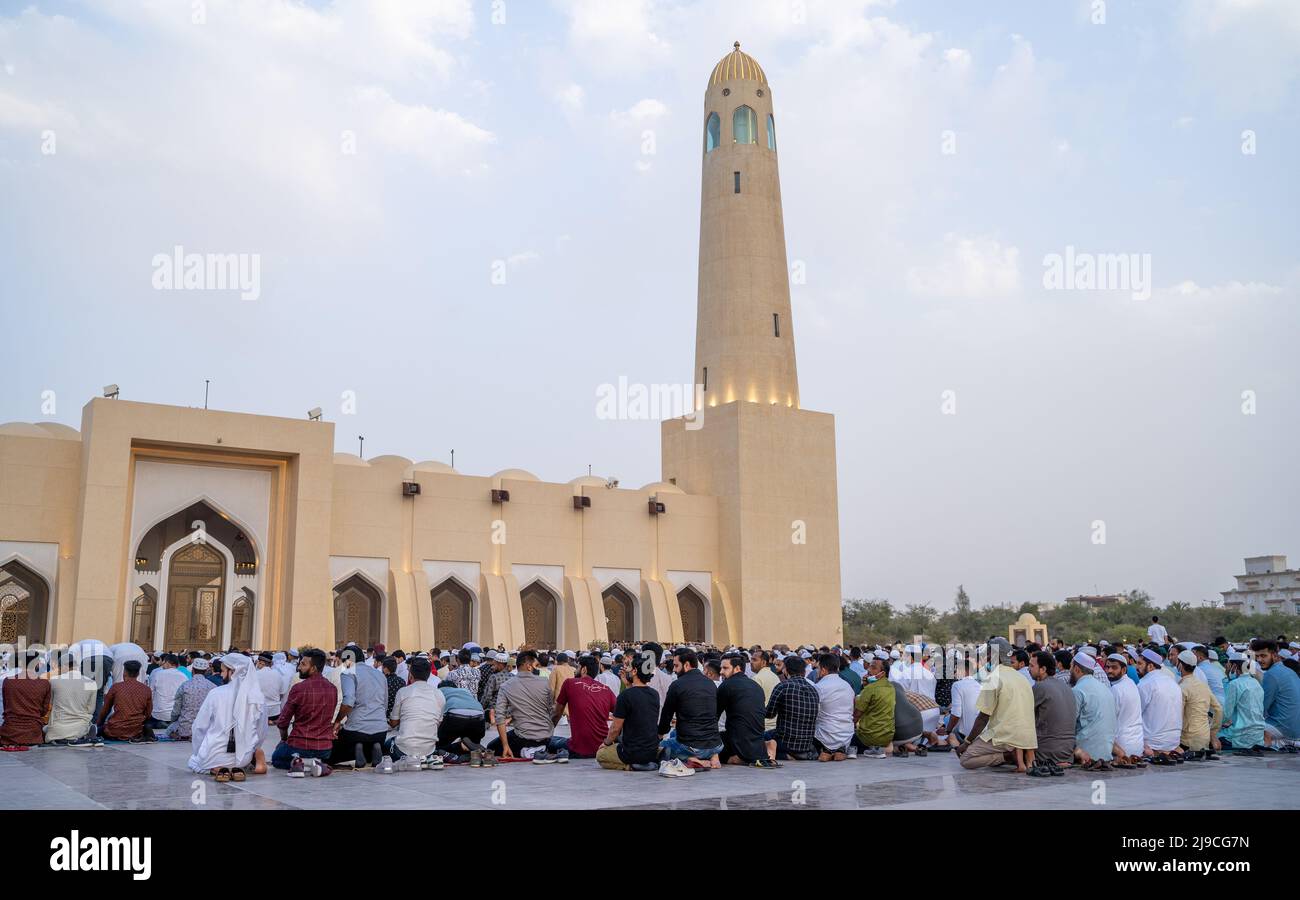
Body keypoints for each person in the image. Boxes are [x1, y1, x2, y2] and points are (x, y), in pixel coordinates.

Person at [957, 639, 1037, 773]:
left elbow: (983, 718)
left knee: (966, 759)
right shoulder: (1021, 677)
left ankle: (1007, 756)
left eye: (988, 653)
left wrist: (967, 742)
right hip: (1027, 738)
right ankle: (1010, 755)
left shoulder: (994, 677)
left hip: (1005, 736)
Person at [188, 652, 269, 778]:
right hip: (243, 758)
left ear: (233, 672)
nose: (221, 674)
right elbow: (262, 731)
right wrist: (253, 748)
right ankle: (254, 759)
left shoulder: (215, 694)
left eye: (223, 671)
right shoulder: (258, 697)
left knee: (193, 761)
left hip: (213, 756)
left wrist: (199, 751)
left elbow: (199, 727)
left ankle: (217, 769)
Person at [491, 650, 567, 760]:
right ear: (529, 666)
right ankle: (541, 749)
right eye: (536, 665)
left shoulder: (506, 686)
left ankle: (528, 752)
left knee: (492, 747)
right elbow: (551, 709)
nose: (537, 668)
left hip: (523, 737)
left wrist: (505, 745)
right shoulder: (545, 682)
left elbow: (500, 717)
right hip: (546, 736)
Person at [271, 649, 336, 774]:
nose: (299, 667)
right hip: (324, 748)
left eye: (303, 664)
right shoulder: (332, 689)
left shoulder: (299, 689)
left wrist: (284, 739)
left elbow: (283, 722)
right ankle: (315, 764)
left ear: (313, 668)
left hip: (299, 745)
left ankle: (303, 763)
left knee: (277, 758)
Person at [657, 648, 723, 768]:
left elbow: (666, 716)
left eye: (676, 666)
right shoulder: (710, 684)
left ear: (686, 665)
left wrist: (659, 734)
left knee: (661, 747)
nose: (674, 670)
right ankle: (713, 756)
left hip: (691, 746)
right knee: (674, 735)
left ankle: (692, 759)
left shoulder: (677, 685)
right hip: (716, 745)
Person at [597, 649, 661, 771]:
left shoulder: (625, 696)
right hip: (651, 749)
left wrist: (605, 743)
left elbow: (615, 729)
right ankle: (655, 757)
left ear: (635, 671)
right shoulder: (654, 694)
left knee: (600, 755)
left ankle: (631, 766)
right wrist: (627, 685)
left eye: (629, 668)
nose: (626, 670)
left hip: (631, 751)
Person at [331, 644, 390, 768]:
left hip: (356, 730)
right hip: (380, 731)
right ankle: (372, 747)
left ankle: (357, 747)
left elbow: (348, 701)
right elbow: (384, 704)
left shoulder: (348, 672)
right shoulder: (379, 674)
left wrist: (338, 721)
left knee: (332, 750)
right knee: (369, 739)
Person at [553, 655, 616, 759]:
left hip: (577, 749)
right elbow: (621, 714)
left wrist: (546, 734)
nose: (575, 671)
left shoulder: (569, 683)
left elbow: (556, 715)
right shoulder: (606, 689)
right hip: (602, 748)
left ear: (584, 669)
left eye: (578, 667)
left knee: (552, 741)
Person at [717, 652, 773, 767]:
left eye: (725, 668)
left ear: (737, 668)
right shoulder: (756, 686)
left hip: (738, 744)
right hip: (758, 745)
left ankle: (738, 758)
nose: (721, 672)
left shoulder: (726, 685)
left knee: (709, 748)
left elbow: (713, 716)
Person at [386, 656, 445, 764]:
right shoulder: (439, 694)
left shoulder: (403, 692)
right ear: (428, 675)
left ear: (410, 675)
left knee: (388, 743)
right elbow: (438, 723)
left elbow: (393, 723)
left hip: (403, 750)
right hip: (429, 750)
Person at [763, 654, 819, 761]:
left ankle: (785, 755)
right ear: (803, 672)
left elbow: (769, 714)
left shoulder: (783, 686)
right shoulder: (813, 689)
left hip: (786, 742)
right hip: (806, 744)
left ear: (786, 671)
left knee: (761, 738)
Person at [1027, 650, 1075, 773]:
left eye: (1032, 666)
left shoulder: (1039, 687)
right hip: (1068, 752)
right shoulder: (1067, 687)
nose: (1028, 669)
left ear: (1043, 669)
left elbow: (1023, 716)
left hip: (1046, 753)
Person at [1136, 647, 1183, 763]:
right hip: (1173, 741)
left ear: (1151, 666)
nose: (1137, 667)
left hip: (1153, 743)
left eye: (1140, 664)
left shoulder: (1145, 684)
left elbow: (1135, 715)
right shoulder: (1172, 682)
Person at [1070, 654, 1117, 770]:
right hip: (1106, 752)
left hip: (1086, 754)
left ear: (1076, 669)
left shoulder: (1077, 690)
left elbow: (1069, 723)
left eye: (1071, 667)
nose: (1069, 671)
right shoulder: (1105, 688)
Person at [1251, 639, 1300, 748]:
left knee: (1245, 728)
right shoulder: (1289, 671)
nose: (1259, 660)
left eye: (1263, 656)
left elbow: (1262, 707)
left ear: (1274, 655)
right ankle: (1283, 742)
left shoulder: (1271, 674)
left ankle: (1274, 742)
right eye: (1257, 656)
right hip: (1296, 729)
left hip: (1282, 727)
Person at [45, 651, 100, 746]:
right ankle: (86, 734)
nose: (58, 671)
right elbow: (90, 710)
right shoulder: (91, 683)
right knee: (88, 724)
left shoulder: (54, 681)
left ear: (64, 666)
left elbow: (51, 703)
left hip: (57, 731)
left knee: (45, 728)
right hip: (80, 729)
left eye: (59, 668)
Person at [1175, 649, 1222, 760]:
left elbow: (1178, 717)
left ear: (1180, 665)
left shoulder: (1182, 688)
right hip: (1204, 739)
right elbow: (1218, 709)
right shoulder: (1203, 685)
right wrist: (1213, 733)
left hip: (1187, 741)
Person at [0, 652, 50, 746]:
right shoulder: (44, 683)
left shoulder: (8, 681)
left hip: (10, 733)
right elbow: (44, 711)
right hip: (33, 734)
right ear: (36, 664)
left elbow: (6, 707)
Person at [1104, 653, 1145, 767]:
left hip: (1122, 746)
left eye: (1114, 667)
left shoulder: (1116, 689)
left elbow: (1108, 721)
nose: (1109, 670)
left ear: (1123, 669)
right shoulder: (1131, 683)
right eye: (1107, 667)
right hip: (1137, 746)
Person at [811, 653, 855, 761]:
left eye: (818, 668)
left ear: (824, 670)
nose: (817, 671)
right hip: (847, 734)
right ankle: (839, 750)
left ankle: (827, 750)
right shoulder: (847, 686)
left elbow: (813, 713)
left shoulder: (819, 687)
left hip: (825, 735)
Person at [96, 659, 154, 742]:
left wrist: (99, 724)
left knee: (99, 730)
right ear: (137, 673)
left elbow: (105, 710)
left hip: (114, 730)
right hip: (136, 731)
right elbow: (148, 713)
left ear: (124, 672)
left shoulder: (116, 687)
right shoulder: (146, 689)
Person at [1220, 650, 1265, 755]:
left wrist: (1213, 725)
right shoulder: (1255, 683)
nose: (1226, 668)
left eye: (1228, 665)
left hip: (1241, 737)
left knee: (1212, 734)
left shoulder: (1235, 684)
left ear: (1234, 666)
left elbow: (1226, 714)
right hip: (1258, 735)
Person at [852, 656, 894, 758]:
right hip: (887, 736)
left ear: (882, 673)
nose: (869, 670)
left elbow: (857, 715)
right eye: (869, 667)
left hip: (869, 737)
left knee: (847, 735)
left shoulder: (870, 689)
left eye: (873, 668)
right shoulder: (891, 687)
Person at [166, 656, 216, 741]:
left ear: (193, 670)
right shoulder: (213, 687)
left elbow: (176, 711)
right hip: (205, 729)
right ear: (206, 671)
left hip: (184, 729)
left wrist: (173, 720)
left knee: (169, 729)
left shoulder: (185, 686)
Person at [436, 677, 487, 756]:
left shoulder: (439, 691)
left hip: (455, 714)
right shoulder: (465, 691)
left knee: (439, 747)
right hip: (479, 716)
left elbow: (437, 716)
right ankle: (475, 749)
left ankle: (461, 746)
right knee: (472, 745)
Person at [146, 653, 187, 729]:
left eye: (163, 663)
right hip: (175, 714)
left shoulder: (157, 674)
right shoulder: (183, 676)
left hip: (157, 714)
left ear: (167, 663)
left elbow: (150, 693)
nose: (162, 665)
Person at [749, 649, 780, 732]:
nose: (751, 662)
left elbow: (752, 704)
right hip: (774, 725)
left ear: (763, 663)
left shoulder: (757, 679)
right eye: (751, 659)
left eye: (754, 660)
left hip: (762, 725)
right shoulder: (774, 676)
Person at [254, 652, 284, 723]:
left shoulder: (255, 674)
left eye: (258, 663)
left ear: (261, 663)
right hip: (275, 712)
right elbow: (282, 693)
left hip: (260, 712)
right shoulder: (278, 674)